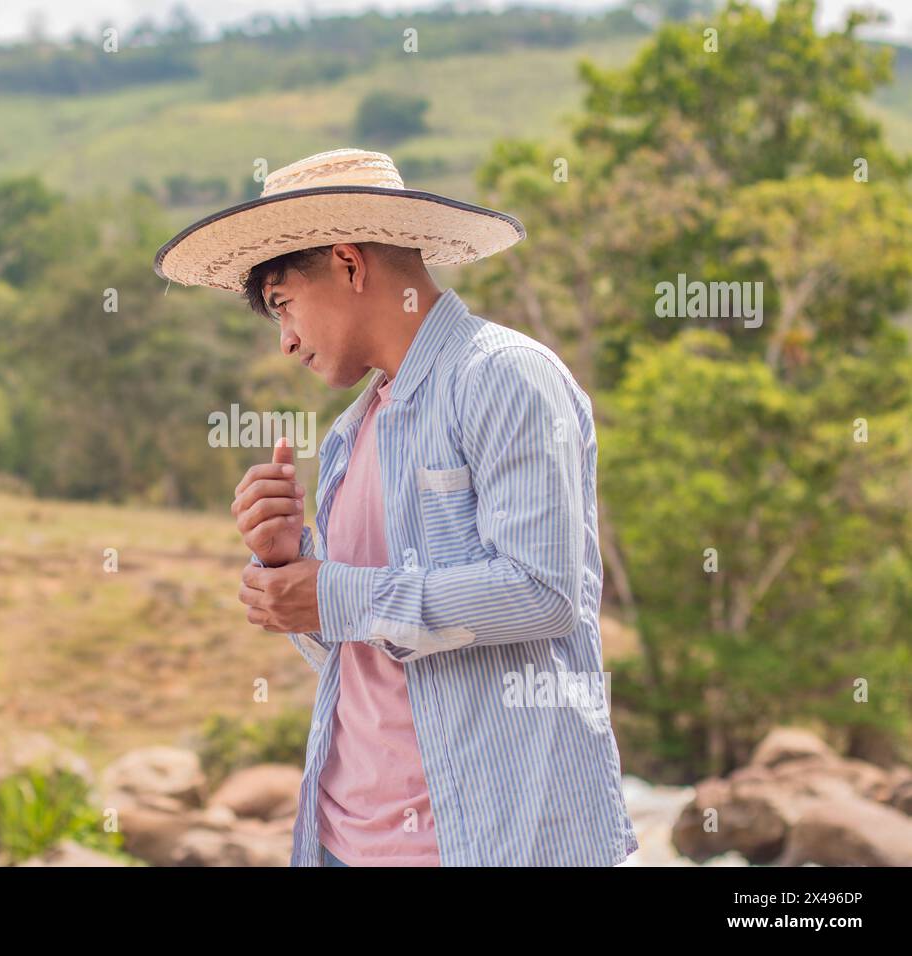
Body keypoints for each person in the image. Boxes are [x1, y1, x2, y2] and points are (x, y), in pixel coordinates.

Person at [154, 148, 639, 867]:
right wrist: (292, 567)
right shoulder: (352, 435)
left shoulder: (504, 378)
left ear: (349, 265)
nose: (284, 340)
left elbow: (544, 594)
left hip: (490, 841)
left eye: (283, 305)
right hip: (343, 841)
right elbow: (356, 648)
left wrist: (333, 590)